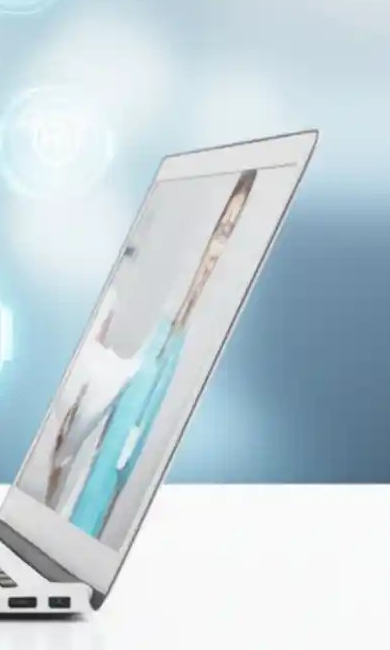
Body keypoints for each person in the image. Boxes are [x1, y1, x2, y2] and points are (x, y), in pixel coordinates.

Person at [69, 171, 257, 537]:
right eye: (222, 228)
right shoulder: (148, 335)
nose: (219, 245)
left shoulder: (181, 353)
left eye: (230, 231)